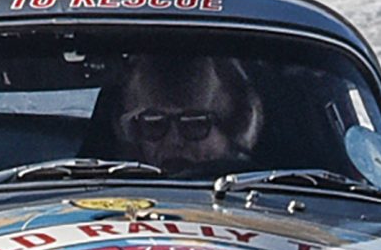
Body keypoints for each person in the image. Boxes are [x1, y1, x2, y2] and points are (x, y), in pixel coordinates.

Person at [104, 55, 263, 175]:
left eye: (194, 125)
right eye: (155, 125)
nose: (173, 141)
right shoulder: (113, 191)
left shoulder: (269, 195)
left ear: (236, 127)